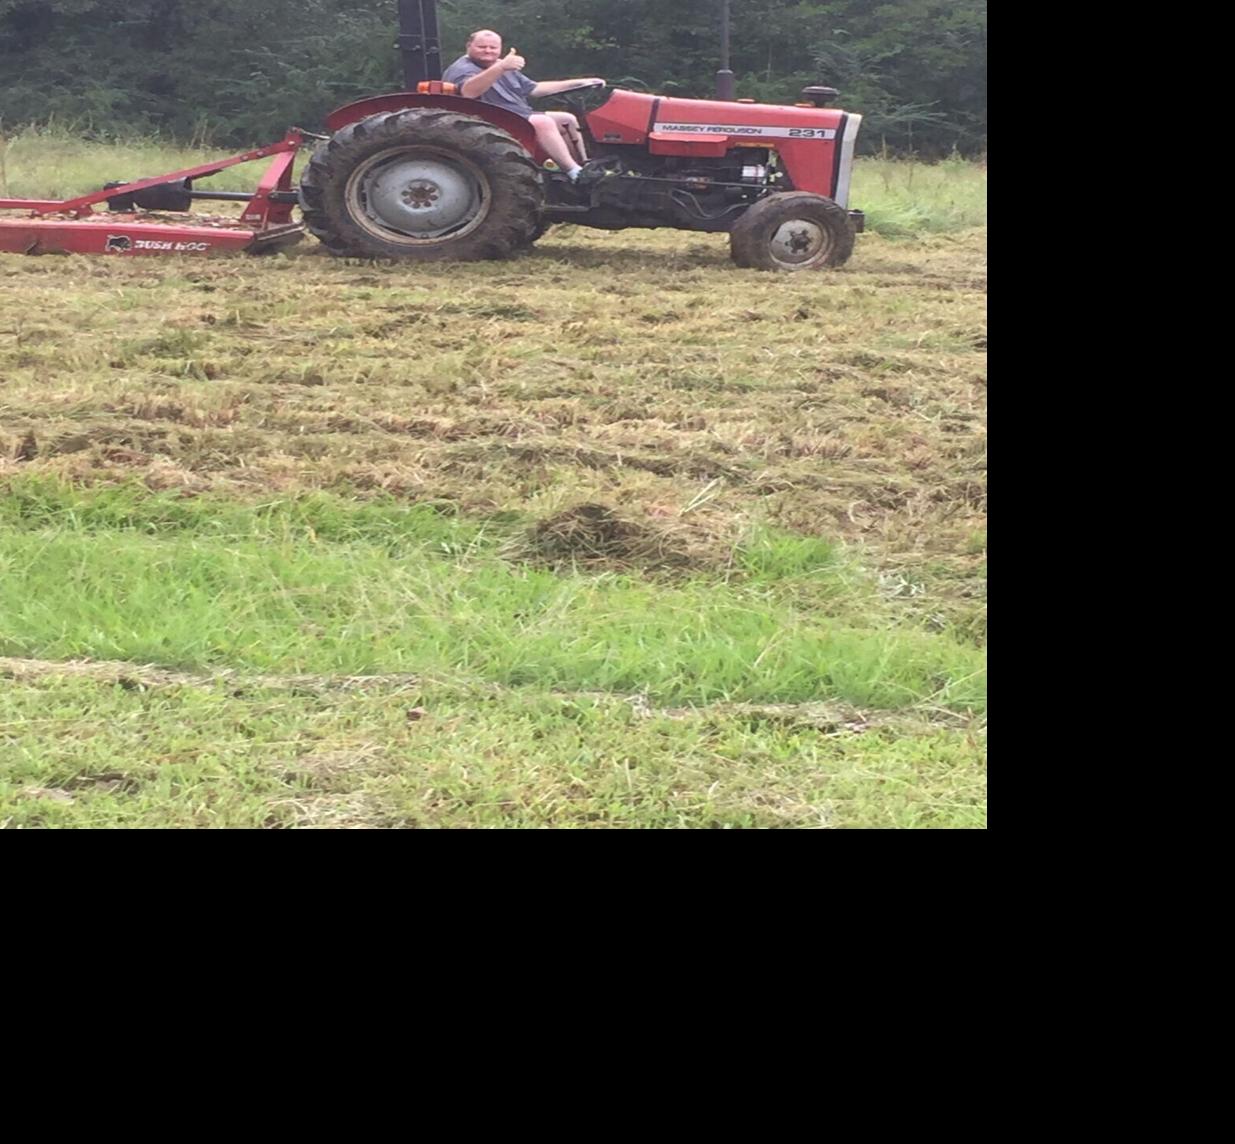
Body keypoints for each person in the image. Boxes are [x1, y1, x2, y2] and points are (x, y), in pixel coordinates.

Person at [442, 29, 604, 182]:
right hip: (490, 119)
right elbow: (469, 91)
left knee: (566, 119)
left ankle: (583, 166)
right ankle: (573, 171)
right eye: (482, 47)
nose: (488, 51)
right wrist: (501, 67)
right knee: (542, 122)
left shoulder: (503, 66)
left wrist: (580, 82)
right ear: (469, 46)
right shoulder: (463, 68)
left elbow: (535, 89)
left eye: (493, 47)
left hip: (517, 114)